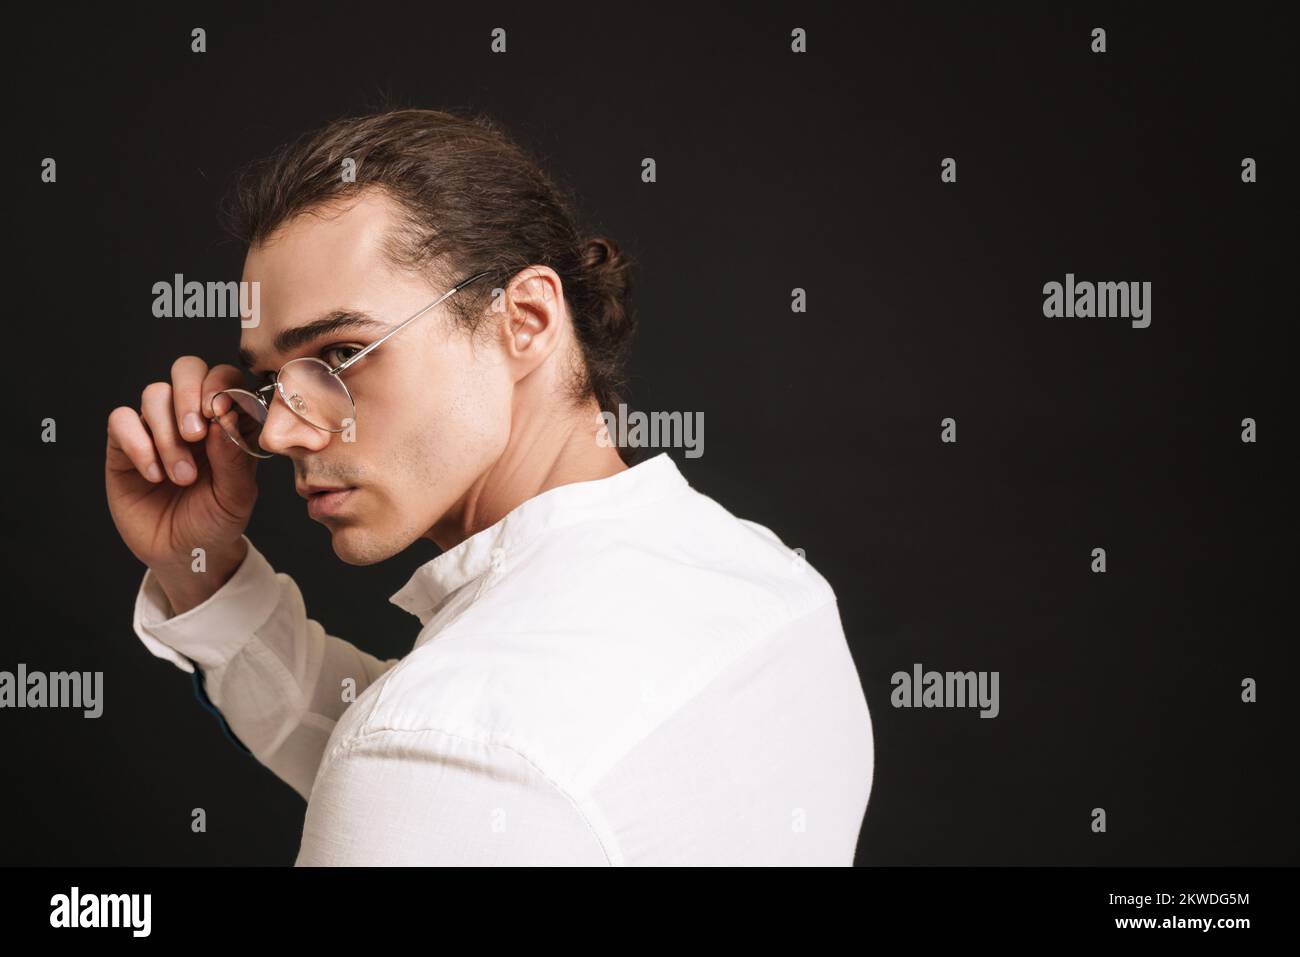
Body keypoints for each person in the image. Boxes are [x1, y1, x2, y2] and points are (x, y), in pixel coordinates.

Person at [105, 109, 874, 865]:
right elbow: (441, 767)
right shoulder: (774, 582)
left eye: (340, 354)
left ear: (528, 319)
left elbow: (433, 767)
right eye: (271, 382)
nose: (276, 433)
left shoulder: (448, 752)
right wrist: (198, 566)